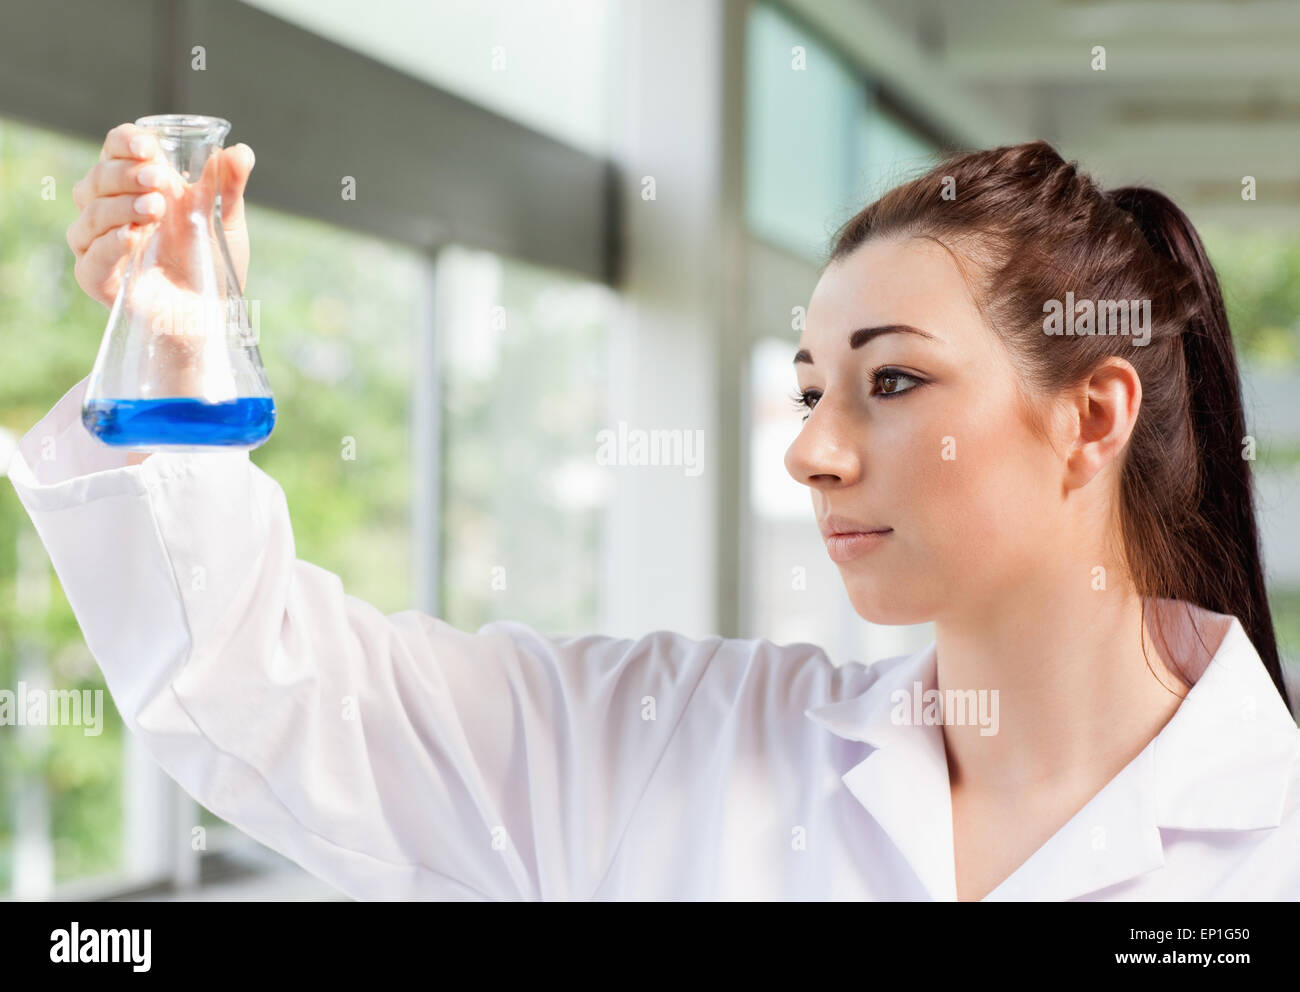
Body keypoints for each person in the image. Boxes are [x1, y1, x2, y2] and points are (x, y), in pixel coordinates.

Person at [9, 125, 1298, 901]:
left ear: (1091, 415)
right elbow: (279, 695)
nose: (810, 453)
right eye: (807, 390)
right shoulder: (669, 748)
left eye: (890, 382)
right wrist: (179, 374)